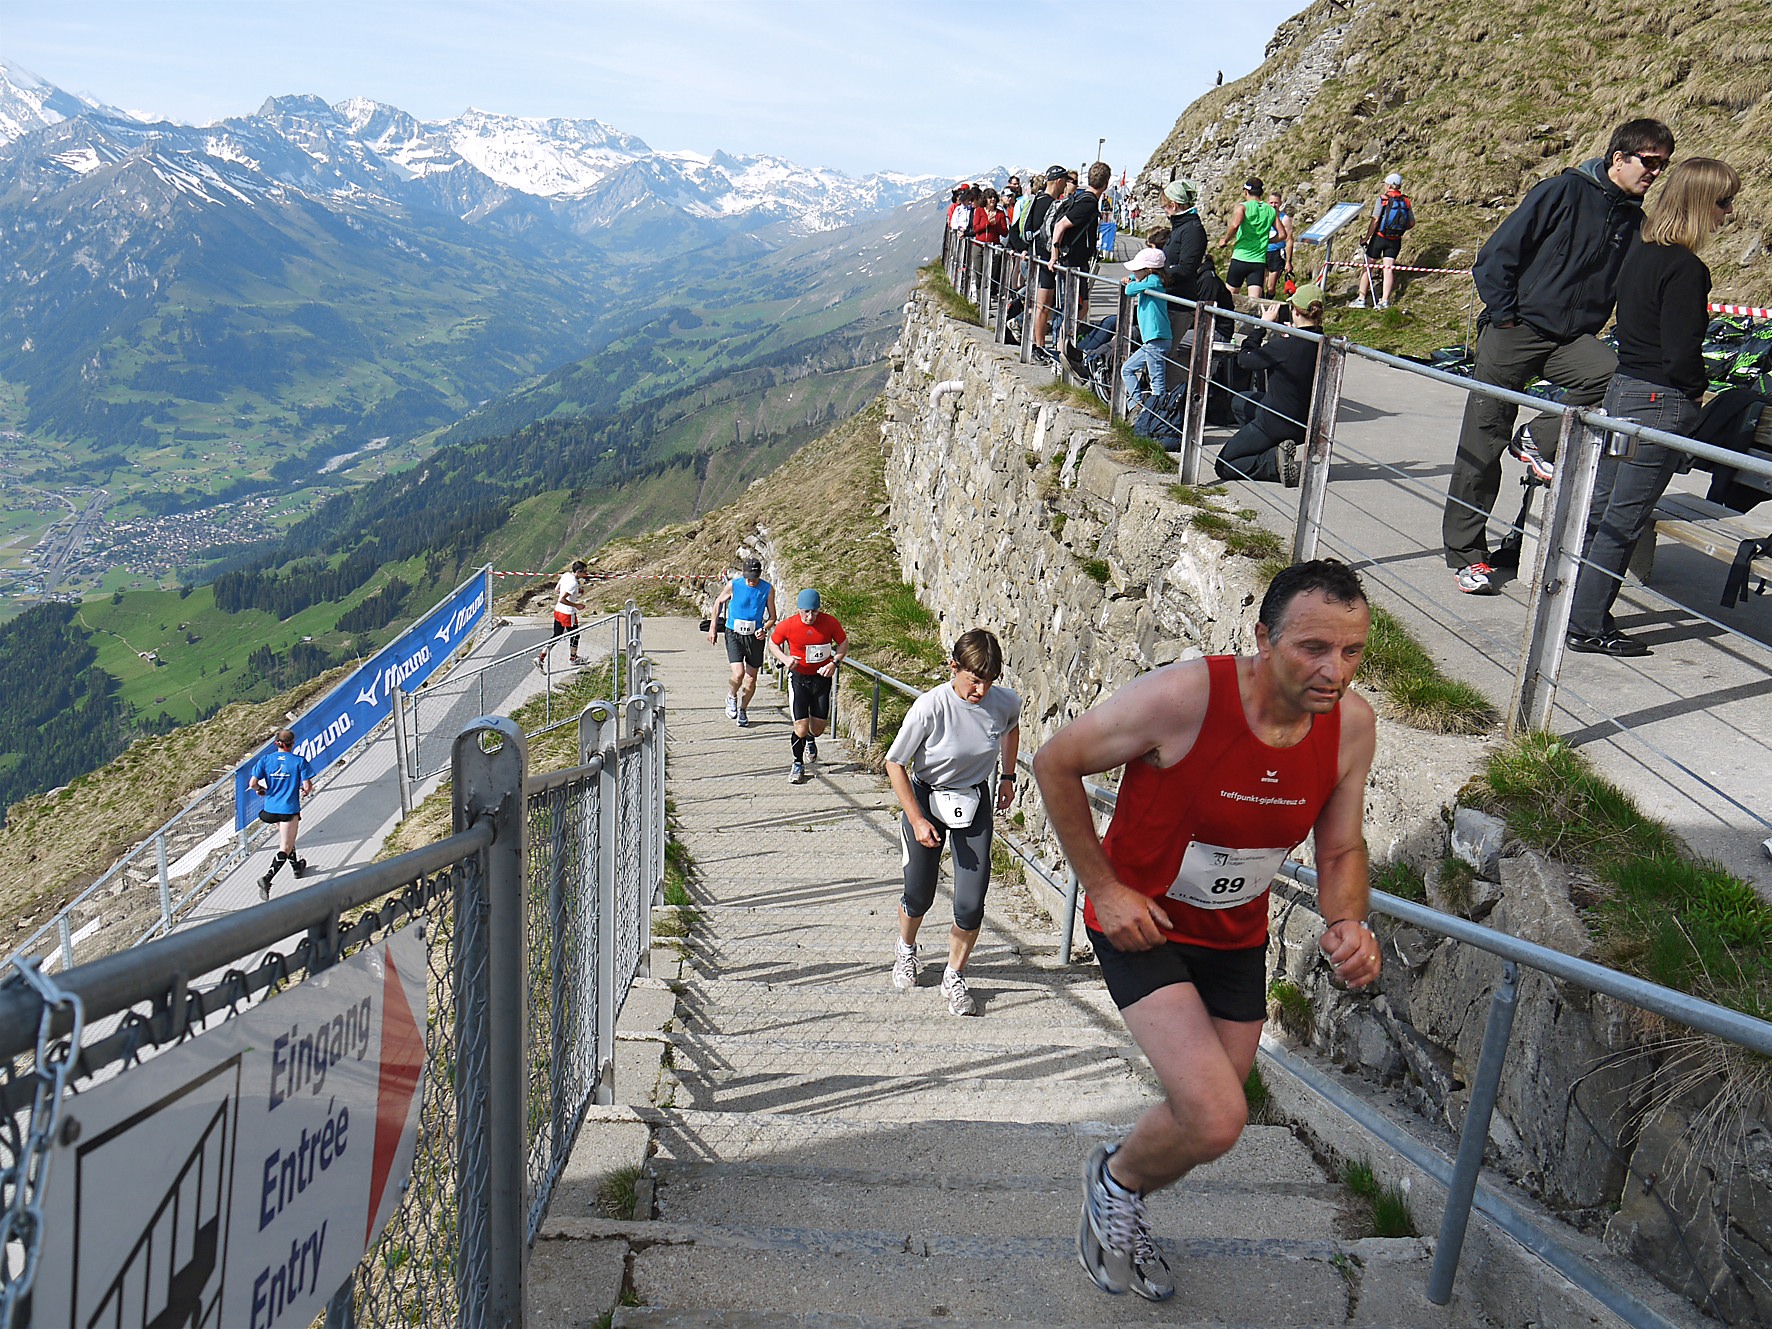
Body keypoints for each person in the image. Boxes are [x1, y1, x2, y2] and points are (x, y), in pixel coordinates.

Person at [1032, 560, 1380, 1302]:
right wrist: (1104, 886)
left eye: (1352, 652)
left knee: (1215, 1114)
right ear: (1262, 638)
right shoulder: (1186, 697)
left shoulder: (1351, 727)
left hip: (1234, 935)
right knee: (1218, 1115)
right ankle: (1120, 1184)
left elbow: (1341, 847)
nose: (1335, 671)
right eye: (1313, 648)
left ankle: (1118, 1180)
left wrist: (1348, 918)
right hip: (1142, 925)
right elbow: (1055, 762)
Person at [1442, 118, 1673, 596]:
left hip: (1571, 339)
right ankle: (1469, 555)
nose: (1654, 172)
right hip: (1515, 328)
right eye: (1649, 162)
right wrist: (1504, 315)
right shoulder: (1562, 191)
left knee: (1611, 379)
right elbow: (1497, 255)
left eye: (1662, 165)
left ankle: (1535, 436)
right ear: (1618, 158)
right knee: (1482, 445)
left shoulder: (1634, 219)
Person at [1567, 158, 1739, 656]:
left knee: (1598, 511)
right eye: (1723, 202)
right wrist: (1694, 393)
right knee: (1624, 519)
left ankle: (1571, 606)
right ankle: (1587, 622)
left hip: (1623, 388)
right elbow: (1681, 351)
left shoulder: (1640, 252)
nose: (1728, 213)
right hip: (1660, 399)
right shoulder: (1687, 268)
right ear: (1701, 203)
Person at [885, 630, 1021, 1017]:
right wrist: (915, 818)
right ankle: (906, 950)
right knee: (919, 892)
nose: (981, 689)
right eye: (973, 679)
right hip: (927, 798)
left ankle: (954, 975)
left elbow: (1011, 727)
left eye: (989, 681)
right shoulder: (930, 706)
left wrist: (1007, 777)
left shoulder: (1004, 702)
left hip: (973, 799)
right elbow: (895, 763)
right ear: (954, 668)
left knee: (970, 903)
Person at [1215, 284, 1326, 487]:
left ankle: (1272, 463)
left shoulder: (1284, 347)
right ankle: (1272, 451)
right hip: (1307, 421)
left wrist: (1261, 327)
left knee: (1223, 464)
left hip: (1276, 421)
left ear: (1294, 311)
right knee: (1240, 401)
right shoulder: (1324, 344)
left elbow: (1245, 360)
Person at [767, 589, 848, 782]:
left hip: (821, 679)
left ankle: (810, 739)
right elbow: (773, 644)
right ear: (799, 610)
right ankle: (797, 764)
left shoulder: (830, 623)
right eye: (806, 612)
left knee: (817, 728)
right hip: (799, 679)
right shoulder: (789, 625)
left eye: (814, 612)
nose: (810, 616)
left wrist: (834, 663)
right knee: (801, 726)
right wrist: (786, 659)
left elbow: (843, 644)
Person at [1050, 162, 1112, 367]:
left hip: (1075, 262)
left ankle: (1064, 348)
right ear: (1106, 183)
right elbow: (1060, 226)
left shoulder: (1082, 198)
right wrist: (1054, 254)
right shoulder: (1087, 204)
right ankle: (1062, 351)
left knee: (1079, 307)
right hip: (1074, 263)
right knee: (1075, 308)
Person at [708, 556, 777, 725]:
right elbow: (718, 602)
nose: (751, 581)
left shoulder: (767, 589)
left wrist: (764, 629)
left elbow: (772, 617)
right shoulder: (734, 585)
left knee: (751, 678)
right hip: (734, 634)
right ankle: (731, 696)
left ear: (759, 575)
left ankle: (743, 710)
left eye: (754, 578)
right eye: (748, 577)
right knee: (738, 673)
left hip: (754, 636)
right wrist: (713, 627)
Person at [250, 727, 316, 900]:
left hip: (270, 810)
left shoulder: (265, 760)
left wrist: (261, 790)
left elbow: (253, 783)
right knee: (285, 847)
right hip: (288, 809)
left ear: (276, 743)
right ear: (292, 744)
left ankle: (297, 868)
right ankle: (267, 878)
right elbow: (308, 786)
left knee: (288, 839)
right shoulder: (298, 761)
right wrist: (304, 791)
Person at [1120, 247, 1173, 434]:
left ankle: (1158, 422)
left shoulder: (1153, 281)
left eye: (1137, 270)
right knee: (1127, 369)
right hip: (1152, 341)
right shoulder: (1150, 281)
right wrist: (1135, 278)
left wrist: (1132, 281)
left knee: (1157, 385)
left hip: (1157, 340)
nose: (1133, 273)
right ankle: (1136, 406)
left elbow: (1130, 291)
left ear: (1148, 270)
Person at [1350, 173, 1414, 310]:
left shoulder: (1383, 199)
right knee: (1388, 269)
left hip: (1379, 237)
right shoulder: (1406, 201)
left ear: (1389, 186)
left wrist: (1366, 238)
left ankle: (1361, 299)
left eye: (1385, 184)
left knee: (1368, 267)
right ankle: (1384, 301)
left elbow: (1375, 221)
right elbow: (1411, 223)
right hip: (1395, 240)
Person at [1027, 168, 1069, 354]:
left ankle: (1037, 344)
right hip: (1046, 259)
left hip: (1035, 257)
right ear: (1058, 181)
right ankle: (1040, 346)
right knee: (1043, 306)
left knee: (1040, 306)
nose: (1067, 185)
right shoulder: (1050, 204)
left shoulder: (1036, 199)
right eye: (1065, 180)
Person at [1218, 178, 1277, 304]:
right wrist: (1266, 241)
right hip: (1258, 261)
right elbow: (1282, 234)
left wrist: (1225, 240)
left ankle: (1226, 322)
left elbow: (1235, 225)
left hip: (1240, 257)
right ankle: (1252, 324)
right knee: (1254, 302)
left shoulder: (1242, 207)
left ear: (1246, 192)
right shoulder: (1270, 210)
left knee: (1229, 297)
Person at [1157, 179, 1208, 305]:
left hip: (1179, 302)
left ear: (1174, 205)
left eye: (1165, 207)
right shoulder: (1182, 227)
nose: (1165, 211)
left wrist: (1156, 274)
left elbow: (1186, 268)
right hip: (1169, 296)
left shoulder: (1192, 230)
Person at [538, 559, 587, 670]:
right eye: (584, 572)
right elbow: (562, 599)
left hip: (558, 611)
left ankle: (541, 657)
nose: (585, 574)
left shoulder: (565, 575)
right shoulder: (574, 583)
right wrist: (577, 605)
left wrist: (576, 592)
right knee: (575, 635)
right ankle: (573, 658)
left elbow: (557, 590)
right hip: (568, 613)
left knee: (556, 635)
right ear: (578, 572)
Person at [1263, 193, 1294, 298]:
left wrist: (1288, 262)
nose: (1273, 205)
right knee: (1259, 284)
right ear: (1267, 203)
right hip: (1262, 251)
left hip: (1276, 253)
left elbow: (1289, 240)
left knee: (1271, 287)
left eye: (1276, 203)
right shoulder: (1263, 217)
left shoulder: (1284, 219)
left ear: (1280, 203)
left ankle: (1269, 300)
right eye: (1271, 202)